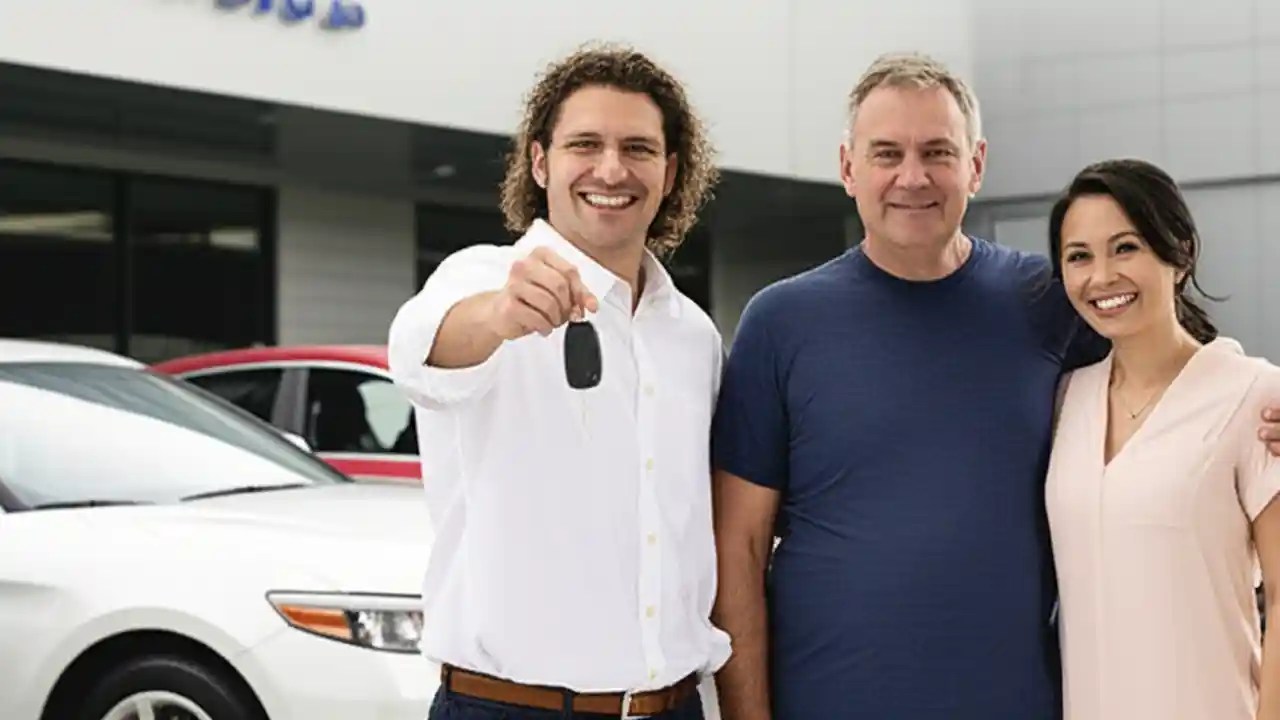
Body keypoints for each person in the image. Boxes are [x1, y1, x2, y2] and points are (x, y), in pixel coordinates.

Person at [708, 52, 1280, 720]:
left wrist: (1260, 404)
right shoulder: (780, 323)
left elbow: (1170, 377)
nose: (912, 177)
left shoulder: (1046, 301)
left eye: (938, 152)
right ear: (847, 167)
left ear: (976, 165)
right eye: (887, 152)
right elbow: (738, 548)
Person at [387, 44, 727, 720]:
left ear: (670, 170)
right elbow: (417, 349)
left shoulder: (694, 336)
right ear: (540, 162)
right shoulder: (482, 278)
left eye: (638, 148)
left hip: (674, 706)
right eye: (585, 144)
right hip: (511, 708)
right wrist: (500, 315)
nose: (611, 169)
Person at [1044, 158, 1280, 720]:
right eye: (1079, 256)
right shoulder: (1064, 401)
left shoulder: (1253, 396)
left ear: (1179, 254)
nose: (1101, 277)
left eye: (1125, 247)